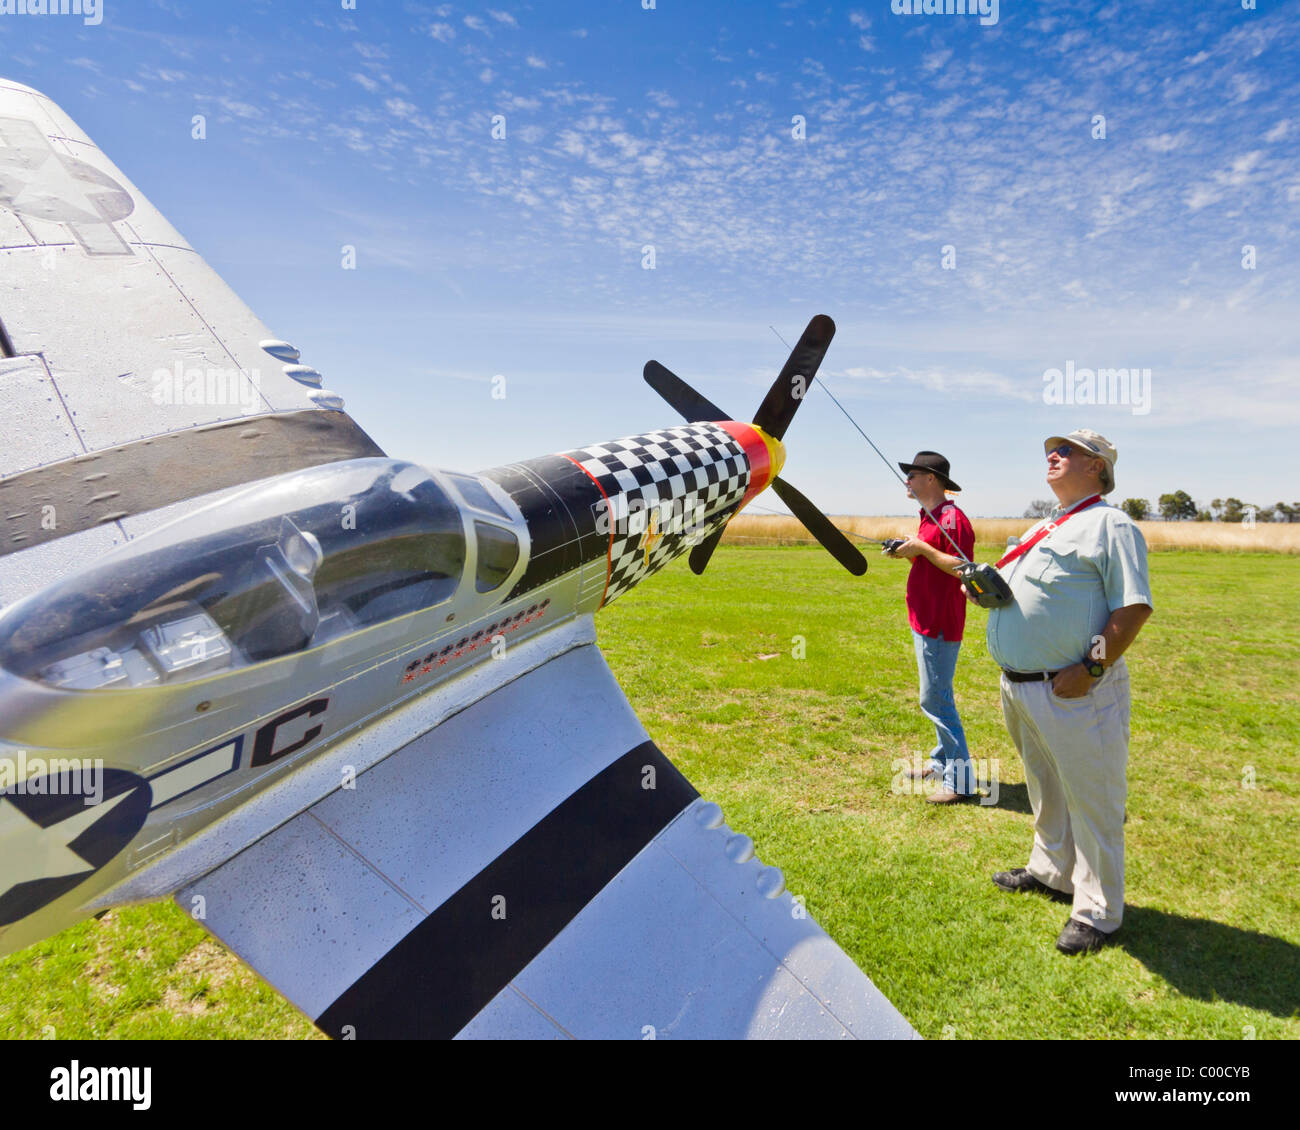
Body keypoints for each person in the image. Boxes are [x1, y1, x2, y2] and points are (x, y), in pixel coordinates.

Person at [980, 429, 1152, 955]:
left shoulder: (1111, 524)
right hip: (1022, 686)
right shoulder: (1045, 525)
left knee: (1093, 796)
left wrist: (1091, 669)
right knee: (1045, 786)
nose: (1053, 456)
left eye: (1068, 451)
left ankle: (1099, 912)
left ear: (1098, 466)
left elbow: (1133, 607)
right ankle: (1052, 871)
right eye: (1051, 450)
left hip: (1076, 689)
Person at [885, 451, 977, 804]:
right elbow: (930, 558)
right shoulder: (930, 516)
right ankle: (941, 762)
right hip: (924, 617)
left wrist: (920, 546)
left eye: (912, 474)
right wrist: (909, 550)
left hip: (939, 620)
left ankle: (960, 781)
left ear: (931, 479)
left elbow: (961, 567)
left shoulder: (950, 518)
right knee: (935, 695)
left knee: (936, 699)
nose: (907, 480)